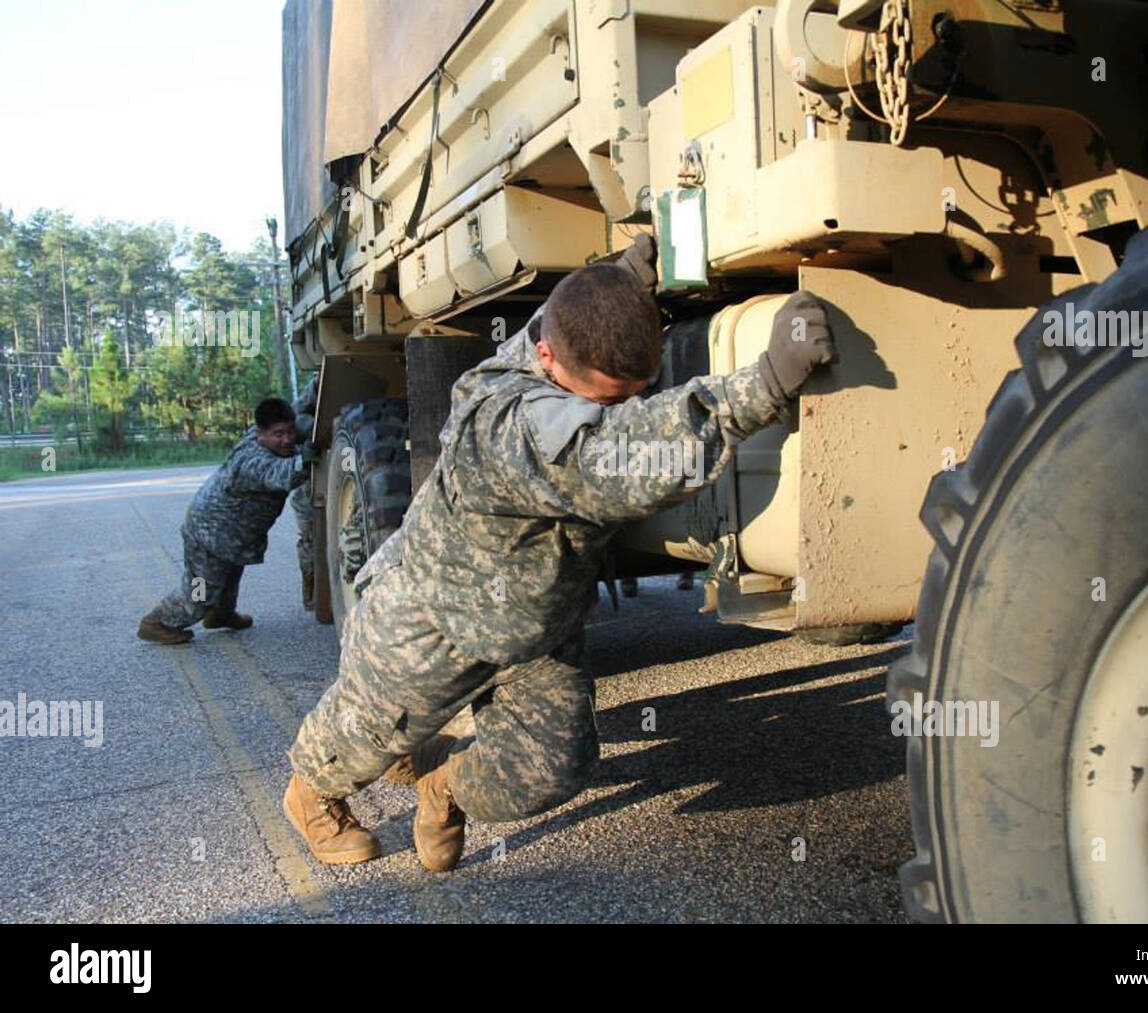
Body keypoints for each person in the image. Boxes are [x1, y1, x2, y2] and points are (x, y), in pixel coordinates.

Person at [282, 236, 836, 869]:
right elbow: (628, 451)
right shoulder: (512, 430)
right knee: (366, 733)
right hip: (433, 622)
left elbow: (565, 322)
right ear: (547, 359)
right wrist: (764, 383)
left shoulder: (541, 349)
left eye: (632, 393)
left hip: (533, 628)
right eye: (607, 400)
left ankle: (443, 787)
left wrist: (623, 282)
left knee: (552, 768)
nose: (619, 409)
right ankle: (311, 796)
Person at [137, 398, 311, 645]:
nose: (287, 440)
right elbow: (283, 473)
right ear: (260, 434)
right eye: (278, 434)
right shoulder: (252, 461)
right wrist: (307, 457)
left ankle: (221, 614)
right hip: (208, 534)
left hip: (230, 536)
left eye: (291, 432)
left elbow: (296, 405)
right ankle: (158, 622)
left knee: (230, 574)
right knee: (201, 590)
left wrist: (314, 390)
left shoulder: (262, 435)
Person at [288, 376, 319, 610]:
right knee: (309, 538)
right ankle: (311, 593)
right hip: (306, 482)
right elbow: (295, 415)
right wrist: (313, 433)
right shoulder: (314, 392)